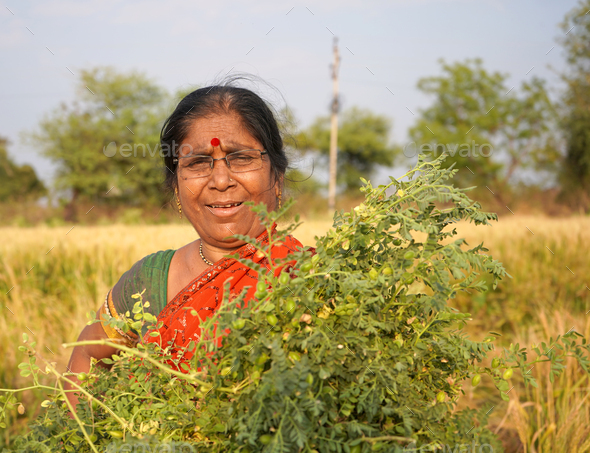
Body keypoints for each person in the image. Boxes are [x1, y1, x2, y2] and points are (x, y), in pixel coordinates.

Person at [65, 83, 306, 410]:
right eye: (198, 162)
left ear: (276, 178)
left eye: (241, 158)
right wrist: (80, 435)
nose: (221, 180)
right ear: (176, 187)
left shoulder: (310, 280)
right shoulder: (149, 282)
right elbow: (89, 350)